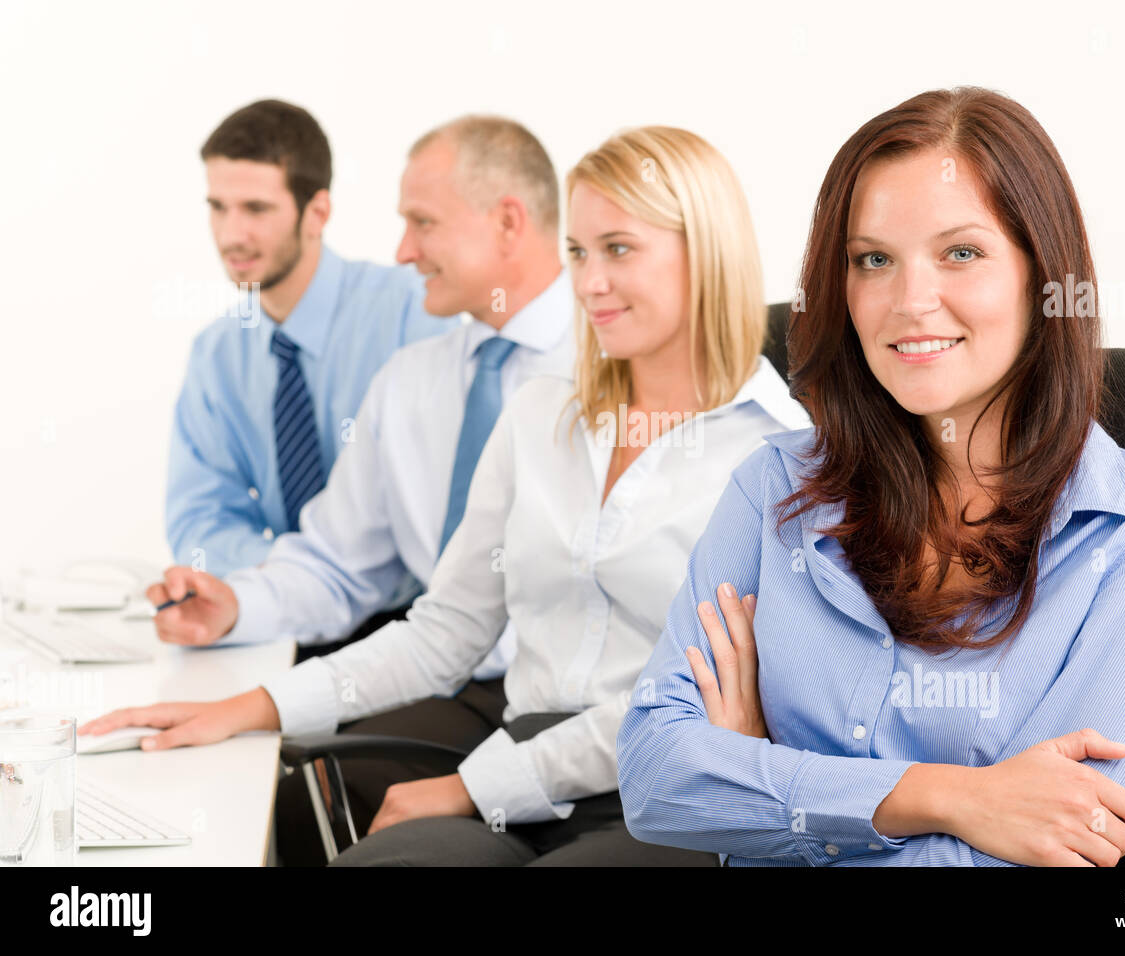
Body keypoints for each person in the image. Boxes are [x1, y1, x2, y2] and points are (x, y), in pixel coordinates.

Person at [83, 124, 810, 867]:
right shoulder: (540, 413)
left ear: (706, 251)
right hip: (518, 753)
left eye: (618, 249)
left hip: (664, 785)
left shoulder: (779, 455)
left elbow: (692, 698)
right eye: (579, 253)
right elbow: (447, 630)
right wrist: (247, 708)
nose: (588, 282)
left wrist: (476, 785)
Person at [616, 86, 1125, 867]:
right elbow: (654, 776)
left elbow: (1043, 846)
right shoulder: (774, 488)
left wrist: (760, 791)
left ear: (1045, 278)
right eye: (873, 260)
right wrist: (954, 797)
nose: (909, 302)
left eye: (960, 253)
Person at [167, 99, 456, 578]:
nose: (231, 234)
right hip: (278, 617)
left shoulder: (412, 312)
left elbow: (443, 505)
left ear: (317, 212)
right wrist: (297, 580)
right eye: (218, 208)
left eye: (256, 209)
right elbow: (202, 521)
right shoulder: (216, 355)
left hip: (409, 622)